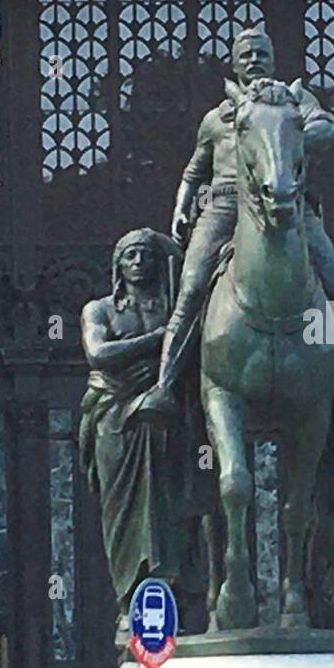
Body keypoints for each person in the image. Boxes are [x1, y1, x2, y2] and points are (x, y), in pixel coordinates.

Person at [131, 25, 334, 426]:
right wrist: (182, 207)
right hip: (225, 204)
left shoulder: (295, 100)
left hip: (288, 203)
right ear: (233, 64)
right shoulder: (216, 118)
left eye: (261, 53)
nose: (254, 60)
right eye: (246, 54)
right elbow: (195, 170)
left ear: (274, 59)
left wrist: (285, 134)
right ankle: (163, 387)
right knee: (192, 287)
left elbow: (329, 128)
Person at [78, 228, 209, 641]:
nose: (138, 262)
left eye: (146, 254)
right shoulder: (99, 310)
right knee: (124, 516)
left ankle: (174, 598)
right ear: (118, 266)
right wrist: (161, 338)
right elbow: (99, 354)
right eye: (130, 255)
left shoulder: (173, 307)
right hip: (114, 417)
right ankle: (130, 601)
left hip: (167, 422)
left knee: (173, 509)